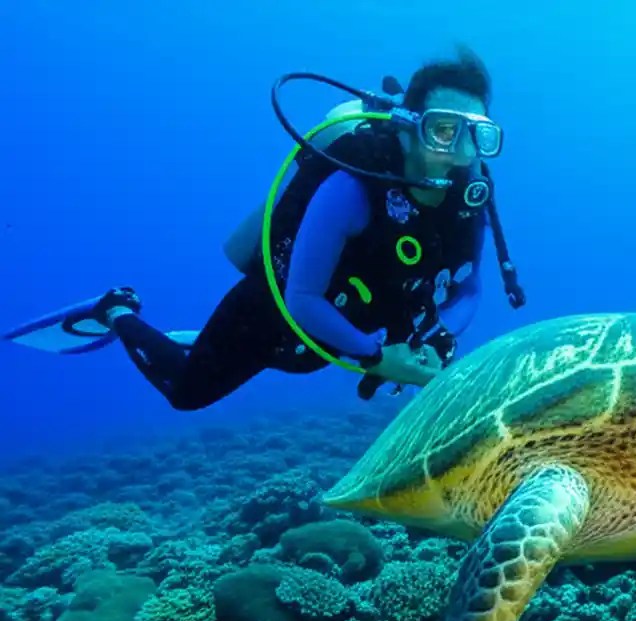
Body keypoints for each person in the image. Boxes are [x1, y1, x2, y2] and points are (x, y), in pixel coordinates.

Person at [89, 46, 526, 410]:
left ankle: (195, 340)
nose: (459, 153)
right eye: (443, 130)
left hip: (353, 324)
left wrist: (439, 337)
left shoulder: (468, 197)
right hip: (273, 314)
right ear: (410, 129)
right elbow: (301, 298)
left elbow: (468, 289)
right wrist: (377, 357)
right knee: (185, 393)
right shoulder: (353, 187)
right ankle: (116, 310)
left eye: (477, 135)